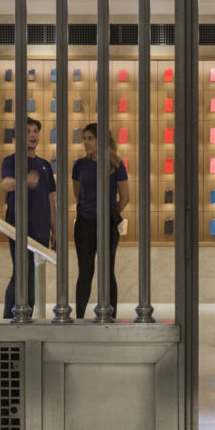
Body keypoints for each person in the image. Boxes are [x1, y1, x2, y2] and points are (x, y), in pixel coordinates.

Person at [0, 116, 57, 320]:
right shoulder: (11, 161)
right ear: (17, 138)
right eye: (28, 131)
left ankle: (20, 318)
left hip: (41, 230)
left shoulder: (45, 165)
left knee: (31, 279)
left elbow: (51, 198)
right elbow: (5, 184)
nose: (33, 135)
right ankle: (11, 318)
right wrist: (24, 181)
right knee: (21, 276)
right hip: (18, 227)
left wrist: (55, 230)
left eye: (35, 131)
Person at [73, 123, 130, 320]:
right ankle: (79, 316)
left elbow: (124, 197)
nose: (86, 142)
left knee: (107, 271)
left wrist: (111, 213)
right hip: (84, 224)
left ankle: (110, 316)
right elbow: (78, 194)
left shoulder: (115, 165)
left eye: (90, 138)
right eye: (85, 138)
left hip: (107, 226)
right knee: (85, 272)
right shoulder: (79, 165)